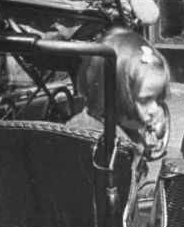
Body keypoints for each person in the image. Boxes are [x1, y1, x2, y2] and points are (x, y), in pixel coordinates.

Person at [70, 26, 170, 156]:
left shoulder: (125, 131)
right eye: (145, 100)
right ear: (109, 97)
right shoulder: (104, 147)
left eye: (156, 99)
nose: (155, 110)